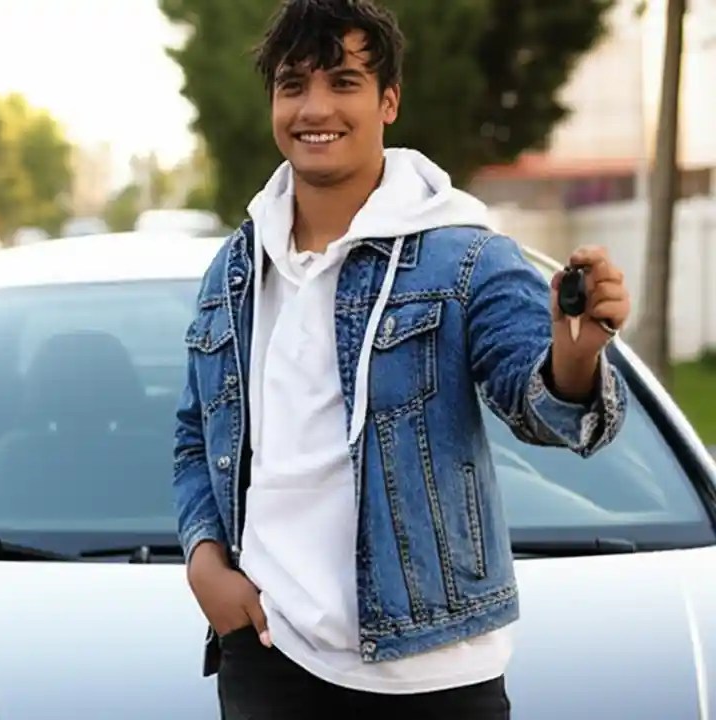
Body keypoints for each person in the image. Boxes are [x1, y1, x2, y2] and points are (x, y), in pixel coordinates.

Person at [171, 0, 632, 717]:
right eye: (293, 85)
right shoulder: (236, 269)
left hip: (433, 675)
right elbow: (196, 434)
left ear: (389, 101)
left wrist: (574, 357)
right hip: (270, 659)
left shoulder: (466, 253)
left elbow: (542, 404)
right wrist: (205, 562)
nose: (314, 107)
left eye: (343, 82)